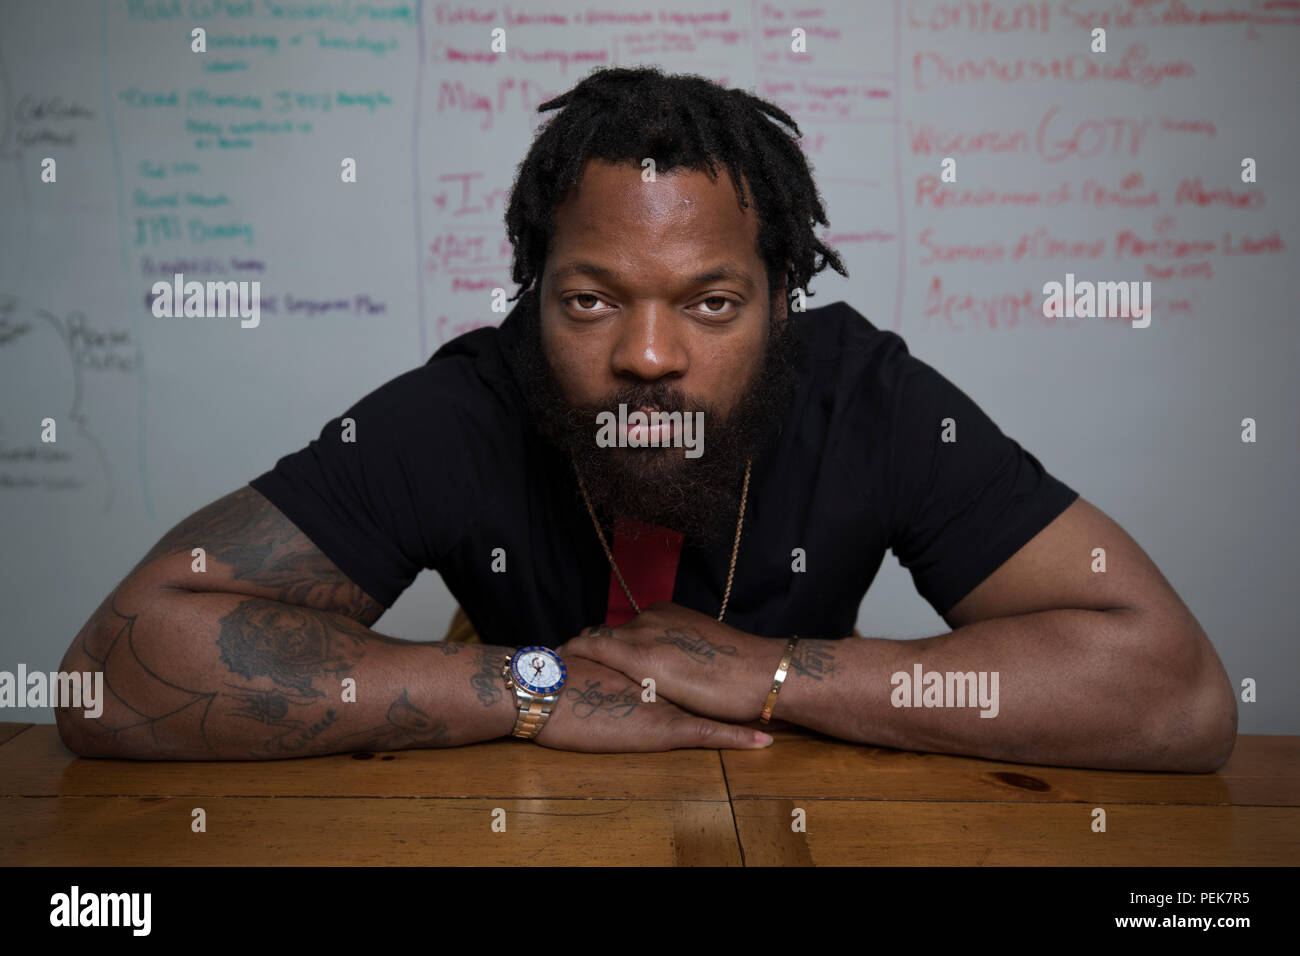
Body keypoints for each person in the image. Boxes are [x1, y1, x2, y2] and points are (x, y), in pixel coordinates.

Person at [56, 66, 1236, 770]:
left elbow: (1175, 693)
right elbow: (106, 677)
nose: (650, 355)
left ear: (785, 299)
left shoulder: (869, 397)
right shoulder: (466, 403)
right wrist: (526, 688)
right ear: (533, 293)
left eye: (712, 302)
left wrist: (778, 673)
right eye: (591, 300)